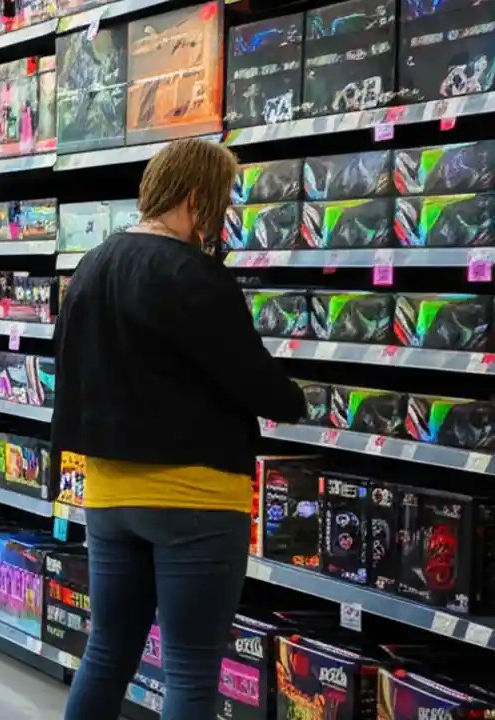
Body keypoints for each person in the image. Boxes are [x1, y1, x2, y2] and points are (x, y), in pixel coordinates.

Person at [51, 138, 306, 720]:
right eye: (216, 207)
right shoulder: (195, 275)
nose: (216, 223)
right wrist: (300, 400)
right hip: (194, 501)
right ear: (194, 200)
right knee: (190, 670)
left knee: (107, 652)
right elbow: (250, 376)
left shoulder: (91, 266)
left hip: (109, 494)